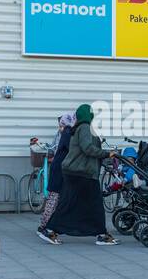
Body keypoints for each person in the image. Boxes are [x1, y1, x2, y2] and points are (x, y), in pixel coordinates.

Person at [44, 104, 118, 245]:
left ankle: (50, 230)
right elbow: (87, 148)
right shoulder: (84, 127)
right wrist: (106, 153)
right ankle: (101, 235)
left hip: (77, 172)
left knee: (74, 204)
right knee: (93, 204)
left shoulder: (79, 127)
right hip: (82, 172)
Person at [36, 112, 75, 244]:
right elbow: (68, 150)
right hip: (60, 170)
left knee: (54, 198)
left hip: (58, 168)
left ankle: (45, 226)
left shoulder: (65, 133)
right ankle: (45, 227)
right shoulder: (67, 133)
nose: (60, 126)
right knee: (55, 198)